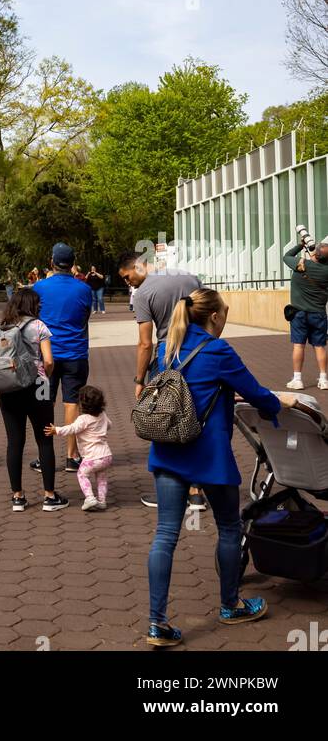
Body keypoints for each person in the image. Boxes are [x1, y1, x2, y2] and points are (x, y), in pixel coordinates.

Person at [143, 288, 297, 648]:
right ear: (214, 316)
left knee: (165, 535)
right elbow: (257, 394)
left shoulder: (167, 348)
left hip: (168, 450)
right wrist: (278, 404)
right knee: (229, 527)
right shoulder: (217, 350)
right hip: (209, 454)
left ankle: (157, 623)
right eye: (225, 314)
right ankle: (231, 605)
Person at [118, 249, 203, 508]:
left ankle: (171, 494)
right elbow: (213, 310)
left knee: (164, 421)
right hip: (199, 351)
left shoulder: (143, 293)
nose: (127, 282)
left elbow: (145, 343)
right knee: (196, 418)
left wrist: (139, 380)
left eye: (126, 276)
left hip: (168, 356)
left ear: (139, 266)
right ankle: (196, 490)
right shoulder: (190, 277)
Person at [0, 289, 68, 512]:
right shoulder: (38, 326)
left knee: (14, 442)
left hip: (9, 387)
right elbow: (48, 360)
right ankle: (49, 496)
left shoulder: (3, 327)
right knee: (44, 439)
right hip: (38, 386)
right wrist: (45, 377)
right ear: (32, 305)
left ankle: (17, 496)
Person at [30, 243, 92, 472]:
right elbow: (85, 317)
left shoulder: (40, 287)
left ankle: (45, 455)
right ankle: (71, 455)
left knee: (43, 401)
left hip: (46, 357)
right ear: (73, 263)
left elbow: (33, 317)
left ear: (52, 262)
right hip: (76, 355)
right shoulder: (83, 289)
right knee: (72, 403)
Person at [45, 385, 112, 510]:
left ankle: (90, 498)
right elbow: (109, 425)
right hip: (106, 456)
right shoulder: (102, 414)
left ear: (82, 404)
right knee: (101, 478)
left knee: (82, 474)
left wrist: (57, 430)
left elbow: (71, 428)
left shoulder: (83, 419)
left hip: (92, 457)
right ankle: (102, 501)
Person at [281, 228, 328, 391]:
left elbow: (286, 256)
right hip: (319, 314)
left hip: (299, 314)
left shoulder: (301, 265)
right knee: (320, 346)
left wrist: (301, 245)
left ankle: (297, 379)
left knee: (298, 346)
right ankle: (323, 379)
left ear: (314, 254)